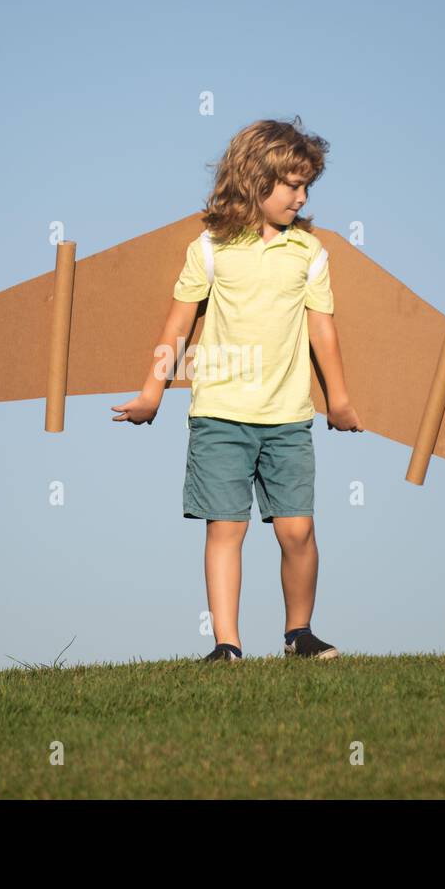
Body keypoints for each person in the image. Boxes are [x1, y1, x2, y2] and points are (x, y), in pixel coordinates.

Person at [111, 116, 363, 663]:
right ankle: (227, 644)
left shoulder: (310, 253)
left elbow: (322, 329)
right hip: (219, 416)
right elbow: (178, 325)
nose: (301, 196)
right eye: (292, 185)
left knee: (298, 531)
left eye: (306, 187)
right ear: (256, 181)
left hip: (288, 419)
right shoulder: (209, 249)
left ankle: (300, 633)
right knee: (225, 530)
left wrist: (338, 401)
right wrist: (151, 393)